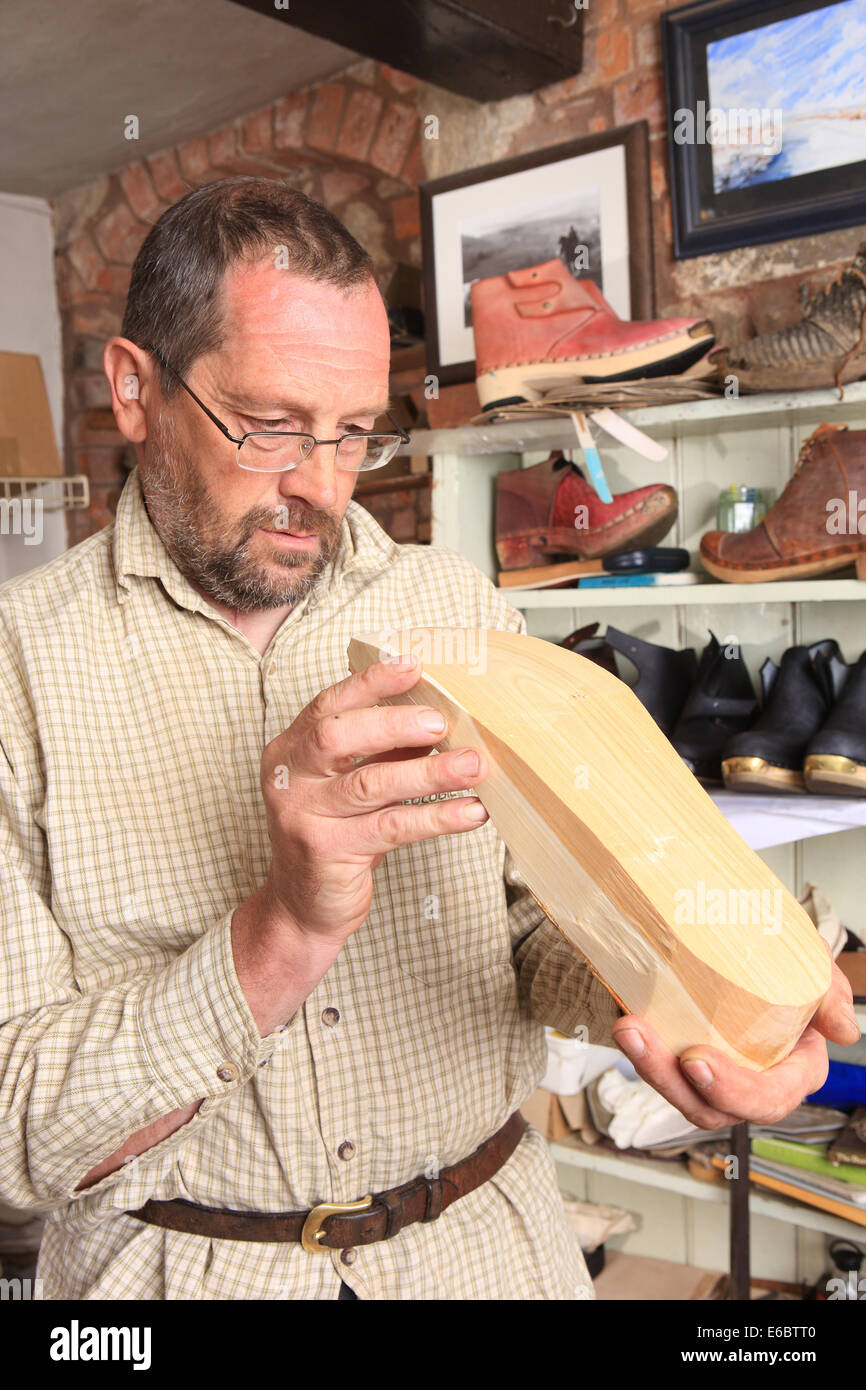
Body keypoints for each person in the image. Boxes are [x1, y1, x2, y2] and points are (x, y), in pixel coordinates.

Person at [0, 178, 857, 1301]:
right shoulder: (16, 672)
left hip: (488, 1258)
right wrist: (281, 930)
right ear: (134, 389)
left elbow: (532, 935)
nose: (315, 485)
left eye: (352, 432)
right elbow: (17, 1143)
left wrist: (681, 1004)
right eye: (266, 426)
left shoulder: (454, 606)